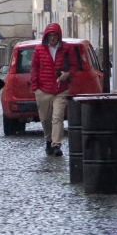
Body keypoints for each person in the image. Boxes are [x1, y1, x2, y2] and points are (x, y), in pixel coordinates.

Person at [30, 23, 77, 157]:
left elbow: (74, 66)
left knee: (58, 117)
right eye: (50, 36)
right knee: (45, 119)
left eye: (54, 35)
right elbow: (34, 68)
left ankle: (56, 145)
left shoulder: (67, 48)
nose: (52, 38)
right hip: (43, 90)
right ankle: (48, 140)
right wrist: (35, 89)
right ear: (46, 36)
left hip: (60, 90)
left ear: (58, 36)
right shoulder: (39, 49)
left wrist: (67, 74)